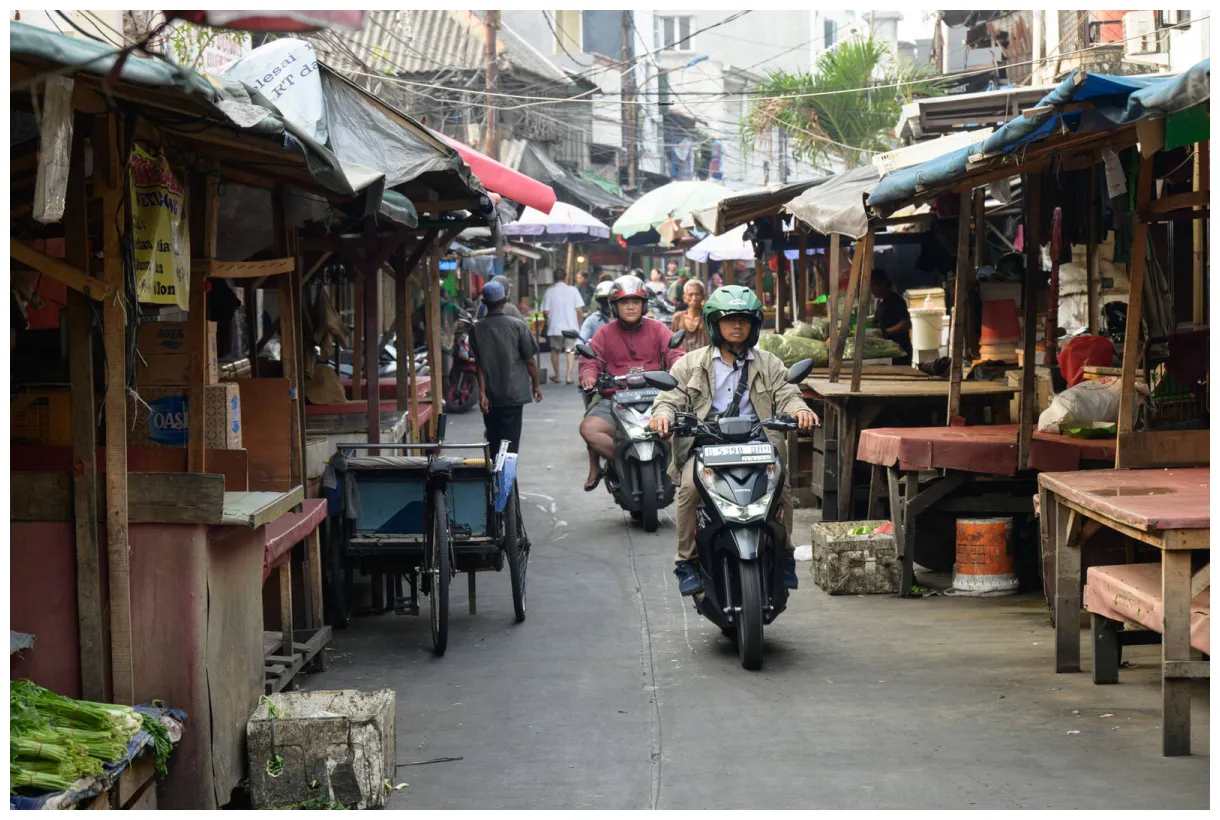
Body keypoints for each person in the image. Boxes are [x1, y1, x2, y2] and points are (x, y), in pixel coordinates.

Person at [648, 285, 818, 596]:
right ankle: (686, 560)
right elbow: (668, 398)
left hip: (756, 442)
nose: (737, 326)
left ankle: (784, 555)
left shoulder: (769, 363)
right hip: (705, 443)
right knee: (688, 489)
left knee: (781, 489)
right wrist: (662, 415)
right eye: (729, 320)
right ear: (715, 324)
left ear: (754, 324)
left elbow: (788, 393)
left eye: (744, 319)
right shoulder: (690, 363)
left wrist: (800, 410)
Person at [578, 274, 683, 492]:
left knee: (684, 429)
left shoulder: (658, 328)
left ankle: (677, 468)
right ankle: (619, 460)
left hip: (657, 396)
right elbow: (590, 359)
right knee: (589, 428)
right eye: (624, 302)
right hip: (614, 396)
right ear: (615, 306)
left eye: (635, 301)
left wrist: (679, 366)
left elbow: (674, 351)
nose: (631, 307)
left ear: (644, 305)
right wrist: (589, 374)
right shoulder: (603, 332)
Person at [470, 281, 543, 454]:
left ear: (484, 302)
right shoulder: (518, 325)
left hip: (490, 395)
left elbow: (478, 363)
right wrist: (536, 385)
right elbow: (530, 360)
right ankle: (508, 480)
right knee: (511, 444)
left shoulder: (476, 328)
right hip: (514, 394)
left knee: (493, 441)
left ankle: (495, 479)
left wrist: (482, 394)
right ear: (504, 300)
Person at [540, 268, 584, 384]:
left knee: (555, 350)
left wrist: (547, 320)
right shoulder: (573, 290)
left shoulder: (549, 291)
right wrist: (580, 325)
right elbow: (579, 310)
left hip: (555, 327)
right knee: (570, 351)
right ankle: (568, 377)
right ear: (565, 277)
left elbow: (545, 312)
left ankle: (557, 375)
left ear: (554, 278)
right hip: (571, 327)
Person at [870, 268, 913, 366]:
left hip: (900, 350)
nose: (871, 289)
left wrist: (885, 332)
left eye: (874, 284)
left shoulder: (896, 301)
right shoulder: (881, 302)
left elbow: (906, 324)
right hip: (889, 350)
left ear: (883, 283)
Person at [671, 278, 711, 352]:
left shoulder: (708, 317)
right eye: (690, 294)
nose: (694, 298)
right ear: (684, 298)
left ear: (703, 296)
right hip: (682, 360)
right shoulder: (678, 318)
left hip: (703, 360)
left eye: (697, 294)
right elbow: (673, 345)